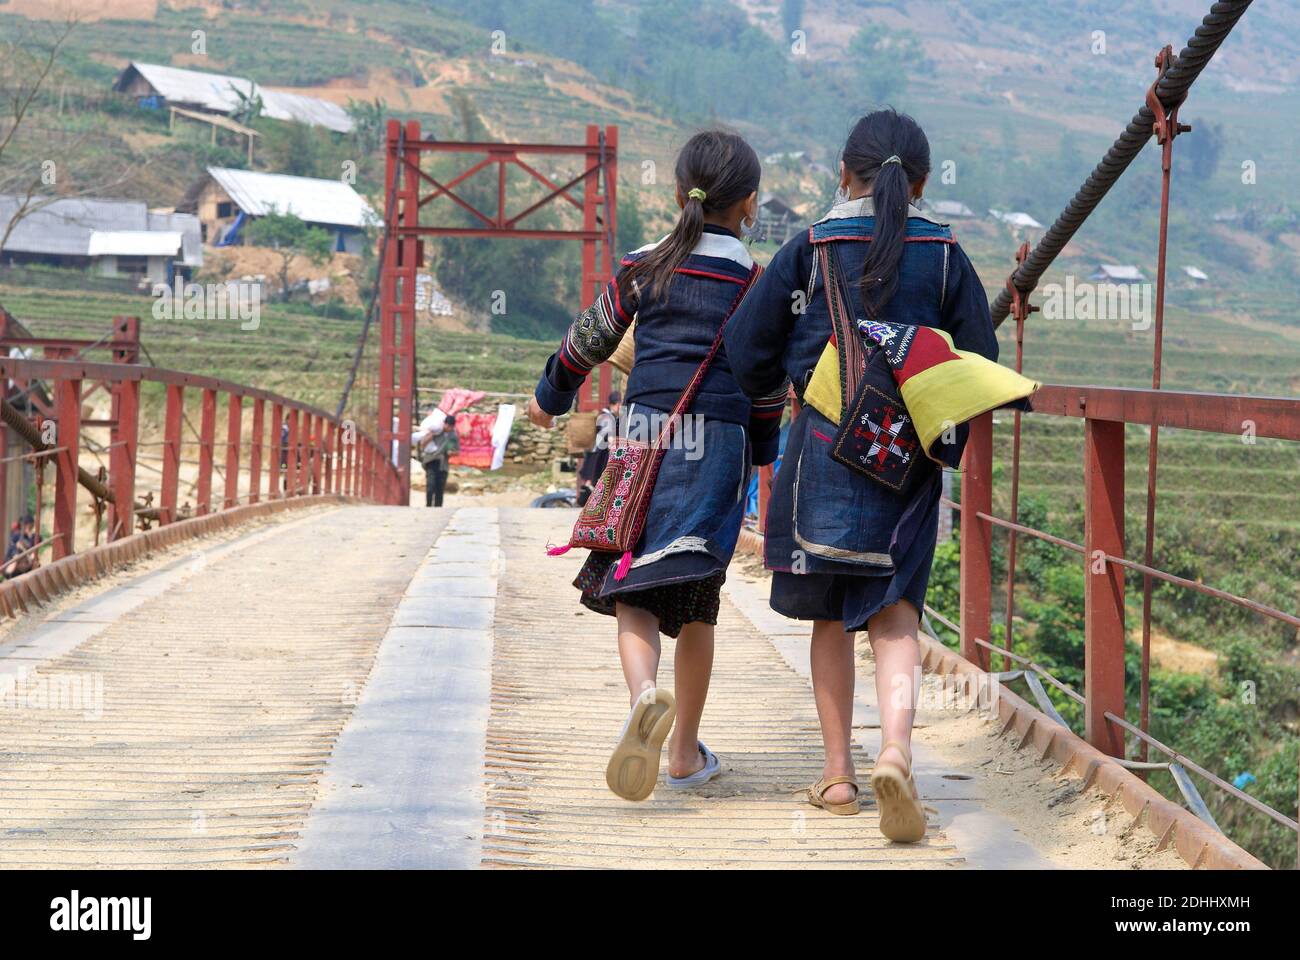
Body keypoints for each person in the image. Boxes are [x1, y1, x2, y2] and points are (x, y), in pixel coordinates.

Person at [724, 109, 999, 841]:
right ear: (922, 183)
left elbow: (746, 349)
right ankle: (900, 753)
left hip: (819, 451)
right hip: (905, 459)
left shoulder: (808, 248)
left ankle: (840, 776)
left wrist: (790, 385)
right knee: (897, 614)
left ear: (843, 175)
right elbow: (981, 357)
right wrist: (944, 433)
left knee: (828, 619)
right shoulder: (945, 256)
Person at [528, 130, 786, 801]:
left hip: (643, 438)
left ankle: (644, 693)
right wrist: (763, 452)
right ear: (750, 205)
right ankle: (682, 754)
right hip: (717, 447)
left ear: (679, 194)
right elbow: (767, 385)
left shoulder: (643, 268)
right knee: (698, 598)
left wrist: (549, 396)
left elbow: (589, 338)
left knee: (633, 588)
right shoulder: (758, 284)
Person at [576, 391, 621, 507]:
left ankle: (589, 503)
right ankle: (587, 504)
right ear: (615, 404)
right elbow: (608, 436)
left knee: (592, 479)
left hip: (597, 452)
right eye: (619, 405)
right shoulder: (607, 416)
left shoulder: (607, 415)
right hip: (598, 453)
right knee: (593, 479)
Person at [415, 413, 458, 507]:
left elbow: (456, 450)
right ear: (444, 424)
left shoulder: (452, 436)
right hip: (431, 461)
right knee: (430, 485)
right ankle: (428, 505)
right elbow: (423, 443)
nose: (449, 428)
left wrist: (451, 452)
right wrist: (432, 435)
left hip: (443, 463)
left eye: (451, 426)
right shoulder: (437, 431)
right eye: (447, 425)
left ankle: (438, 508)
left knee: (440, 487)